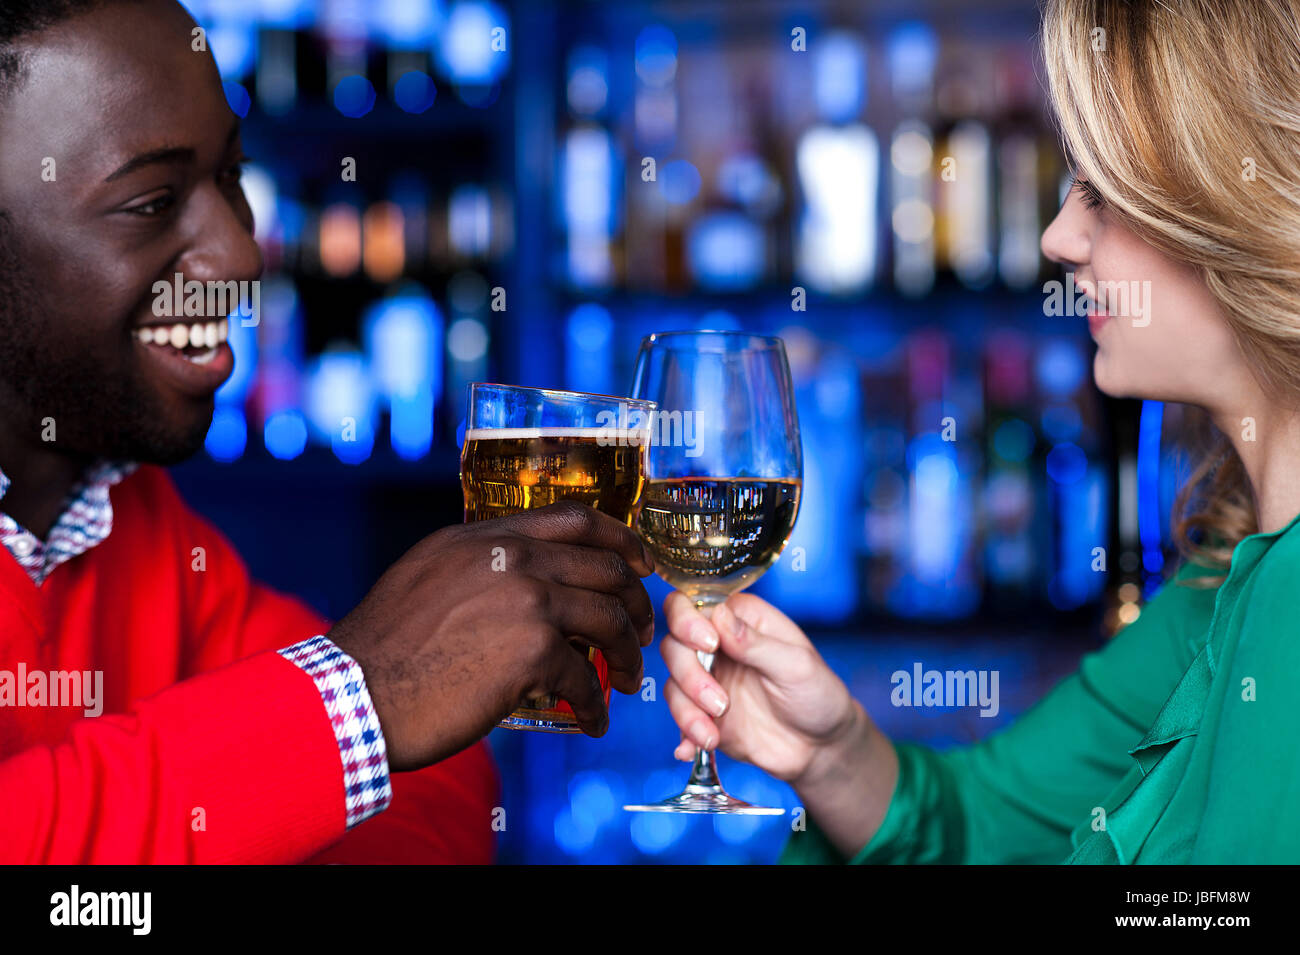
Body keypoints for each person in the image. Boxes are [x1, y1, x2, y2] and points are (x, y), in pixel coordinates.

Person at [0, 0, 654, 864]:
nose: (240, 255)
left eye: (231, 177)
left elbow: (438, 777)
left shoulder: (125, 515)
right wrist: (365, 698)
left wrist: (368, 711)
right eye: (152, 202)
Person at [659, 0, 1300, 864]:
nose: (1059, 237)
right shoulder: (1224, 585)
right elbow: (988, 827)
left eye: (1103, 191)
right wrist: (826, 748)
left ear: (1238, 196)